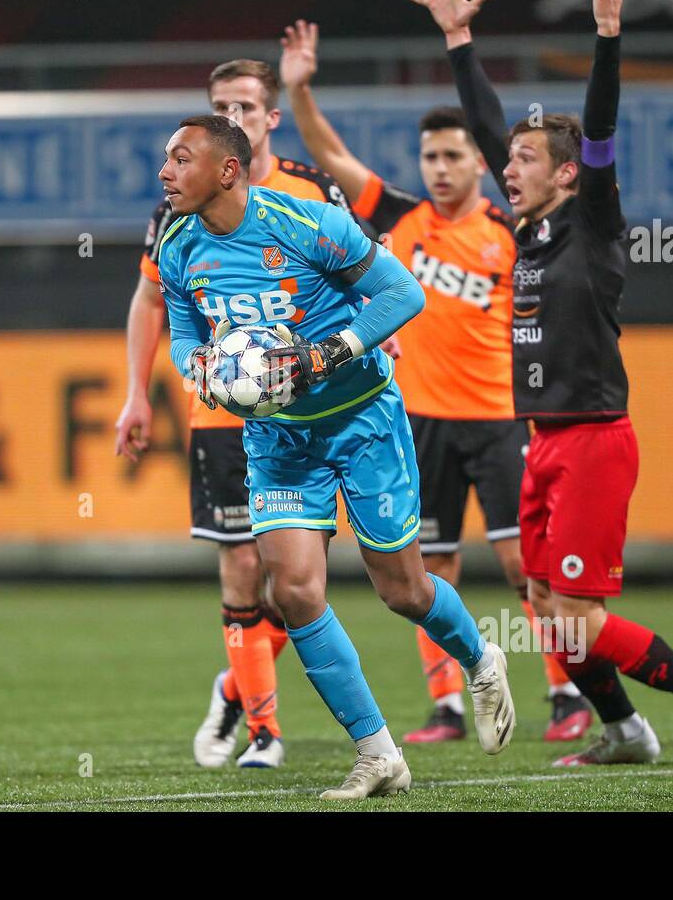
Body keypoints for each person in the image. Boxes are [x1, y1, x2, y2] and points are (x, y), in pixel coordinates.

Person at [409, 0, 673, 768]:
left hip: (595, 437)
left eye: (526, 163)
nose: (508, 170)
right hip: (544, 438)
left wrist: (607, 35)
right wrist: (460, 40)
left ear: (568, 174)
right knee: (540, 600)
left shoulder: (592, 220)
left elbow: (597, 127)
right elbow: (494, 126)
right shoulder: (527, 228)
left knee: (578, 615)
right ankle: (625, 731)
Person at [155, 114, 515, 799]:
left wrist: (329, 352)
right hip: (278, 437)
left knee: (402, 590)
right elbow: (182, 331)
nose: (165, 172)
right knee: (291, 590)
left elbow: (403, 293)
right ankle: (378, 753)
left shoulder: (307, 222)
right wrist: (196, 366)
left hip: (361, 420)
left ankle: (480, 658)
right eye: (166, 160)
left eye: (180, 159)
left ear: (226, 171)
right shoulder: (177, 245)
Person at [280, 19, 593, 744]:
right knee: (432, 565)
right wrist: (298, 88)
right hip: (414, 422)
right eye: (430, 156)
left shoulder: (511, 229)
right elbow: (329, 152)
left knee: (524, 567)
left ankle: (565, 691)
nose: (441, 167)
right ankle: (448, 704)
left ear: (479, 165)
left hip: (496, 419)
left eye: (454, 154)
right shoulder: (398, 217)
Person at [115, 60, 353, 770]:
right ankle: (264, 731)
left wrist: (373, 331)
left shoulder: (312, 193)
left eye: (246, 105)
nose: (235, 117)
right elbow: (152, 300)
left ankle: (236, 683)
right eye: (222, 106)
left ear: (271, 116)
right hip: (224, 410)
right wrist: (136, 391)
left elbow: (364, 269)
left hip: (312, 409)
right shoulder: (179, 210)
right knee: (242, 569)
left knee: (296, 580)